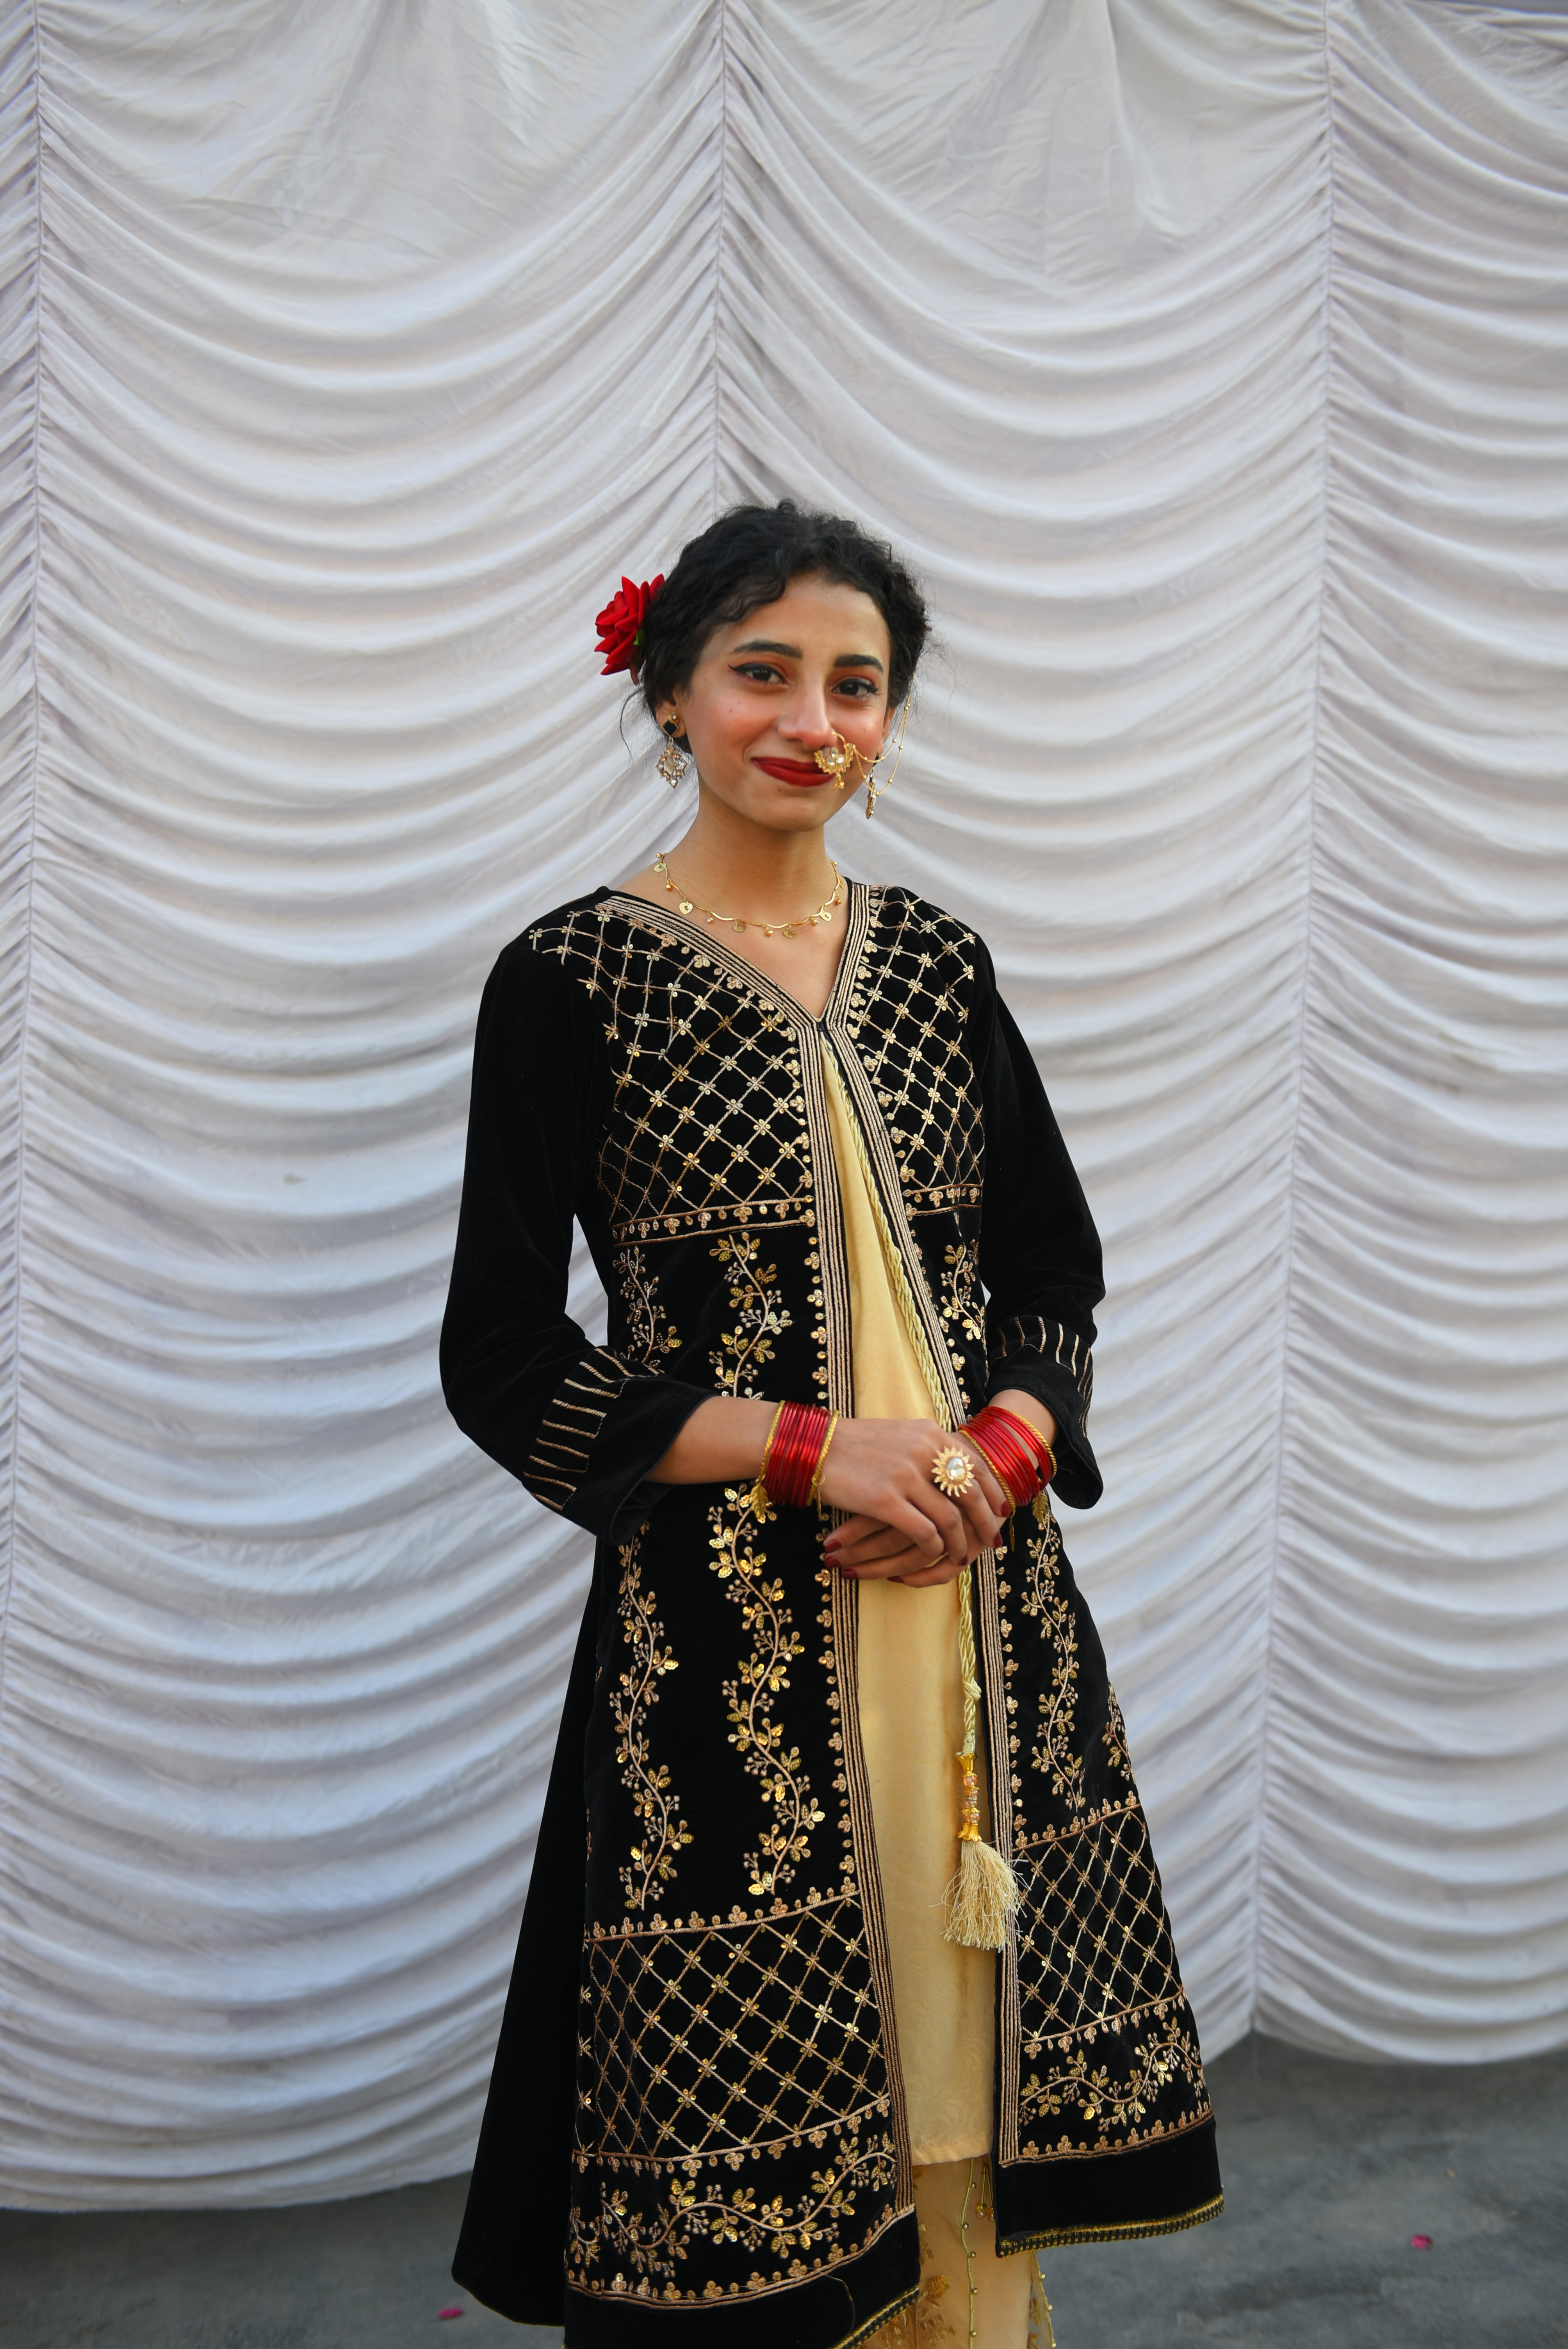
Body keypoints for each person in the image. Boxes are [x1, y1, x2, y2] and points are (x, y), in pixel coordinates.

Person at [441, 502, 1221, 2349]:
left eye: (854, 684)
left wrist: (990, 1459)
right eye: (761, 672)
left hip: (975, 1625)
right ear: (671, 693)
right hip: (722, 1652)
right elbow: (500, 1356)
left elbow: (1051, 1281)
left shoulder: (937, 963)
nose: (810, 719)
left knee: (972, 2075)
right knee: (758, 2121)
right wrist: (810, 1448)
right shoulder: (575, 978)